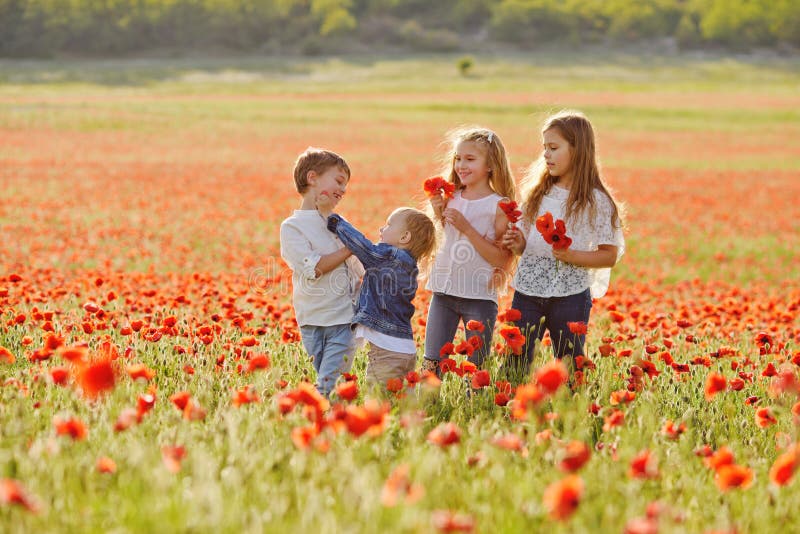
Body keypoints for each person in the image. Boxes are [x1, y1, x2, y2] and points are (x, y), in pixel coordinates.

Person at [502, 110, 625, 376]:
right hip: (529, 290)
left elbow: (608, 255)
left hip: (571, 294)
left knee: (569, 361)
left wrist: (570, 255)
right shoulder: (538, 194)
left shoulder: (595, 201)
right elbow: (525, 246)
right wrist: (517, 243)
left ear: (578, 150)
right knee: (516, 358)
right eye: (544, 148)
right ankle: (509, 406)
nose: (546, 154)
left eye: (554, 148)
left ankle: (570, 412)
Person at [422, 127, 516, 374]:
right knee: (432, 363)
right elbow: (447, 240)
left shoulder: (499, 205)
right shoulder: (451, 196)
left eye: (470, 159)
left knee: (475, 370)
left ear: (490, 165)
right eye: (458, 158)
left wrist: (467, 228)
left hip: (479, 295)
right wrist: (438, 213)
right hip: (443, 291)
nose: (461, 165)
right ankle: (426, 411)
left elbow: (501, 260)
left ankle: (474, 410)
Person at [280, 147, 364, 396]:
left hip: (343, 319)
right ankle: (329, 422)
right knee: (326, 380)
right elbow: (313, 268)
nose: (343, 190)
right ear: (312, 178)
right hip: (311, 321)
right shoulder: (292, 227)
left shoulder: (338, 223)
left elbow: (360, 264)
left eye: (346, 186)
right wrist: (349, 248)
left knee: (327, 383)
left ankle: (318, 421)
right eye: (339, 181)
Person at [327, 208, 436, 389]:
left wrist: (338, 223)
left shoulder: (390, 257)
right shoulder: (409, 266)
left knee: (378, 400)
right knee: (399, 401)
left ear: (404, 237)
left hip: (388, 352)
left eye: (388, 225)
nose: (381, 229)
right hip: (406, 349)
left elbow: (363, 247)